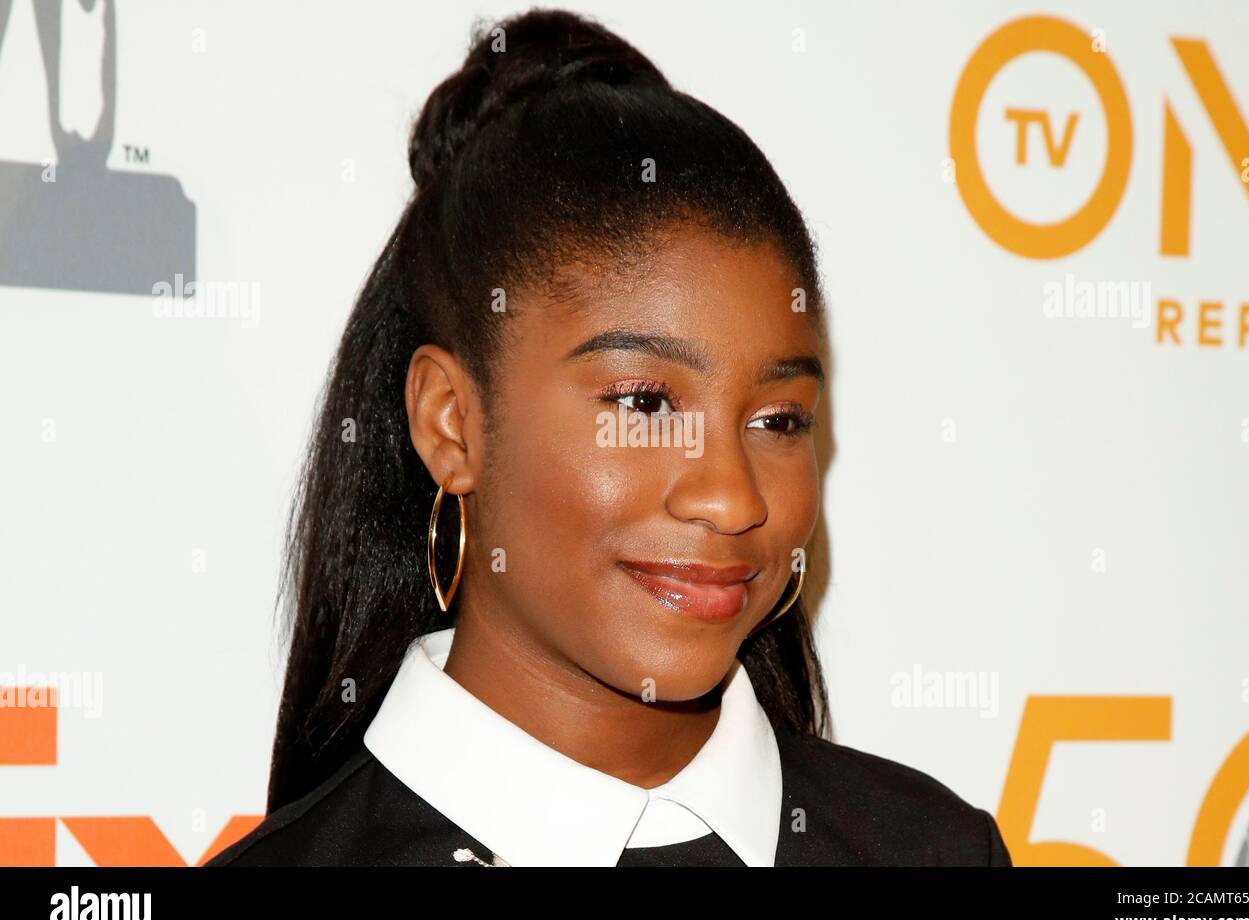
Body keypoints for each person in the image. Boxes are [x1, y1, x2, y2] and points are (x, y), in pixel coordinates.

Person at [205, 7, 1012, 867]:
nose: (733, 498)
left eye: (778, 420)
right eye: (646, 404)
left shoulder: (934, 851)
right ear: (452, 421)